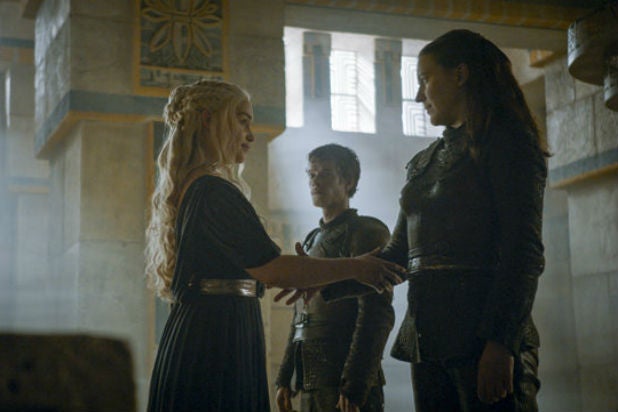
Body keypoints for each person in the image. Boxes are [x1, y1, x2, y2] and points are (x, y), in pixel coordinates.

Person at [144, 80, 405, 412]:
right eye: (242, 120)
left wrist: (306, 274)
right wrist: (357, 267)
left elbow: (265, 272)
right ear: (208, 120)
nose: (250, 135)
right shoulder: (212, 190)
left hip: (215, 331)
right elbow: (272, 268)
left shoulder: (203, 188)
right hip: (215, 339)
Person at [380, 29, 549, 411]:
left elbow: (523, 252)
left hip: (483, 340)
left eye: (425, 79)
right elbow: (397, 255)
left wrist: (500, 341)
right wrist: (326, 277)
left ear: (460, 74)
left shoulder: (508, 142)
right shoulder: (423, 162)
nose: (419, 95)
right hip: (427, 341)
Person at [275, 144, 395, 412]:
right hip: (310, 380)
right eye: (311, 174)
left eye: (325, 173)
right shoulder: (311, 240)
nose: (314, 181)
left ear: (348, 181)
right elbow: (300, 313)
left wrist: (355, 384)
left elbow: (376, 314)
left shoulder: (366, 231)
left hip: (345, 382)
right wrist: (286, 376)